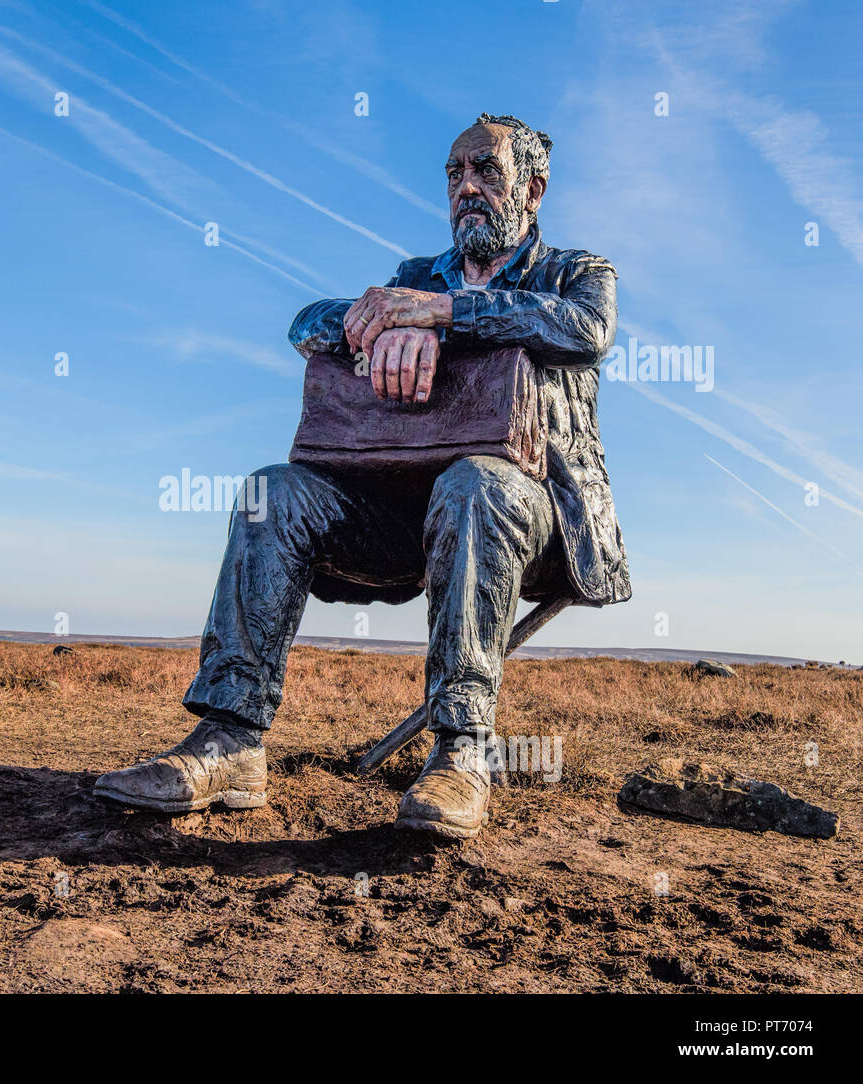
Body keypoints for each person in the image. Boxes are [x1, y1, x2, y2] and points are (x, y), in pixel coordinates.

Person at [94, 114, 631, 840]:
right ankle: (230, 741)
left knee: (475, 483)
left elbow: (583, 331)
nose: (466, 186)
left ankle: (461, 752)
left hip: (533, 517)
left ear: (532, 190)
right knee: (270, 492)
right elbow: (304, 324)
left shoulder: (577, 274)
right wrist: (373, 320)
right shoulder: (412, 275)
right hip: (398, 520)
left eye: (486, 170)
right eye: (453, 174)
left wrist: (445, 314)